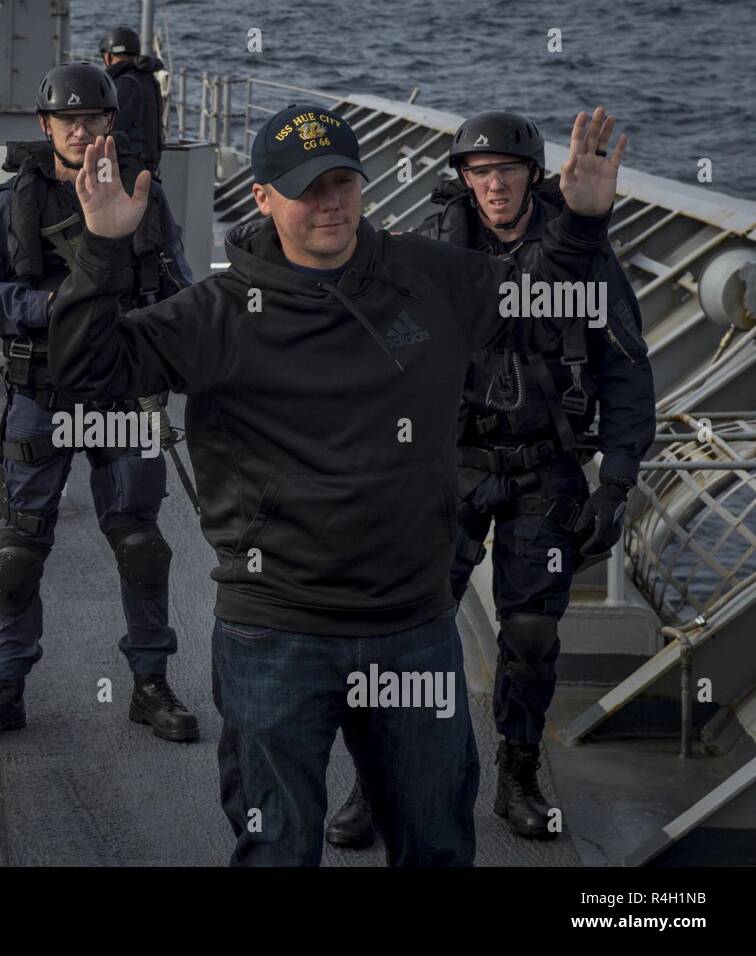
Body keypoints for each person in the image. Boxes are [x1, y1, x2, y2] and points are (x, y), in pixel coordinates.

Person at [47, 104, 626, 865]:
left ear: (362, 185)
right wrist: (103, 248)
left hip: (413, 627)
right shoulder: (217, 315)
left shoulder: (433, 278)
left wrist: (581, 225)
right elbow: (86, 374)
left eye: (342, 182)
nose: (329, 202)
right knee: (278, 848)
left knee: (436, 843)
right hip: (275, 633)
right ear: (261, 198)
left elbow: (549, 309)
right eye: (305, 187)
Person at [325, 110, 655, 848]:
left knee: (532, 633)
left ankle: (517, 775)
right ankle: (376, 780)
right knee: (406, 624)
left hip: (546, 468)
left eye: (507, 170)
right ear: (463, 180)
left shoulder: (583, 255)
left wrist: (617, 482)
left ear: (534, 177)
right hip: (450, 465)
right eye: (480, 172)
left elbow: (626, 373)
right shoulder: (432, 254)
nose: (495, 184)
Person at [0, 63, 197, 747]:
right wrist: (47, 306)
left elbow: (180, 284)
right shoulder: (14, 204)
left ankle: (151, 685)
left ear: (111, 124)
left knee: (141, 544)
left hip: (124, 393)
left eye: (93, 118)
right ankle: (7, 687)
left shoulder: (146, 196)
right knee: (20, 548)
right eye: (69, 119)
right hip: (42, 394)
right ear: (46, 126)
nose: (82, 129)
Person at [99, 27, 166, 172]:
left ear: (109, 57)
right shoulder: (147, 78)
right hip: (146, 167)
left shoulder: (125, 84)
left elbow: (110, 129)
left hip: (127, 170)